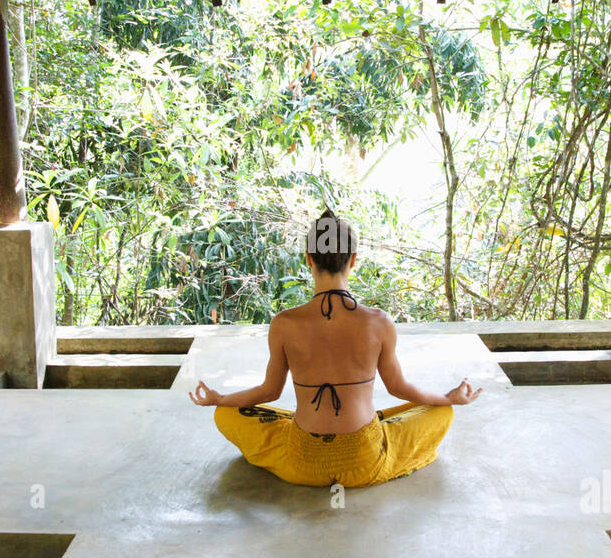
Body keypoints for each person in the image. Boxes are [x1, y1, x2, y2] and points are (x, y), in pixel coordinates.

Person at [189, 208, 482, 487]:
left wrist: (220, 398)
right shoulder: (379, 322)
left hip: (303, 460)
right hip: (365, 459)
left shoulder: (284, 323)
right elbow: (399, 387)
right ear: (353, 259)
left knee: (225, 413)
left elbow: (269, 392)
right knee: (441, 413)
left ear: (308, 259)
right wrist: (447, 398)